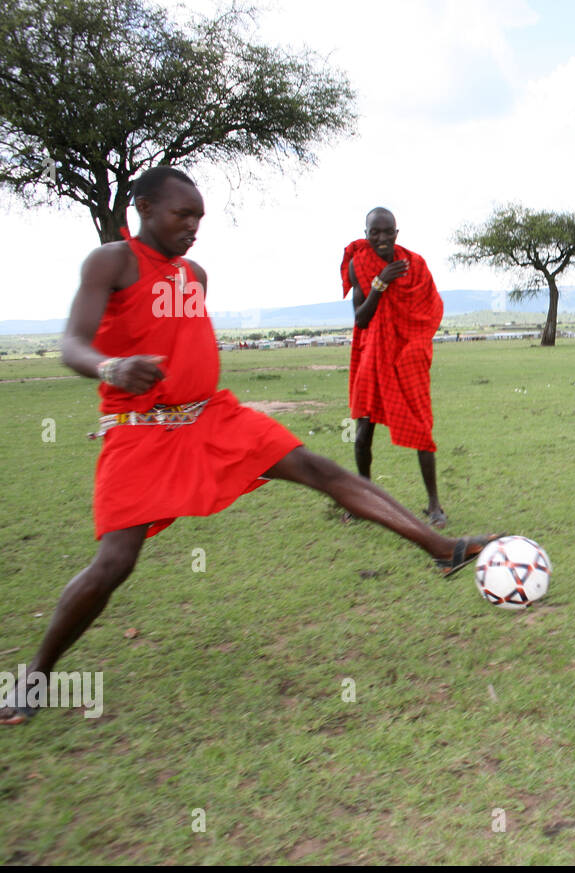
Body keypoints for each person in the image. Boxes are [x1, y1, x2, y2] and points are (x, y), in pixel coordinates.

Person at [1, 169, 494, 726]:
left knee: (318, 467)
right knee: (115, 563)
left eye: (199, 218)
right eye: (181, 215)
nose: (192, 228)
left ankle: (440, 547)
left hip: (211, 417)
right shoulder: (111, 262)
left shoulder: (195, 274)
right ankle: (34, 678)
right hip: (139, 429)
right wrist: (111, 366)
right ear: (142, 206)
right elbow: (72, 343)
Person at [341, 208, 447, 528]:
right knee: (363, 433)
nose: (382, 239)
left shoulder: (414, 266)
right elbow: (361, 318)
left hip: (406, 356)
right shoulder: (358, 264)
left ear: (397, 233)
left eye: (388, 232)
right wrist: (380, 283)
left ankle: (434, 505)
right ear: (366, 232)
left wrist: (416, 346)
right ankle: (364, 501)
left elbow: (429, 309)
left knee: (421, 428)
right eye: (375, 232)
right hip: (372, 353)